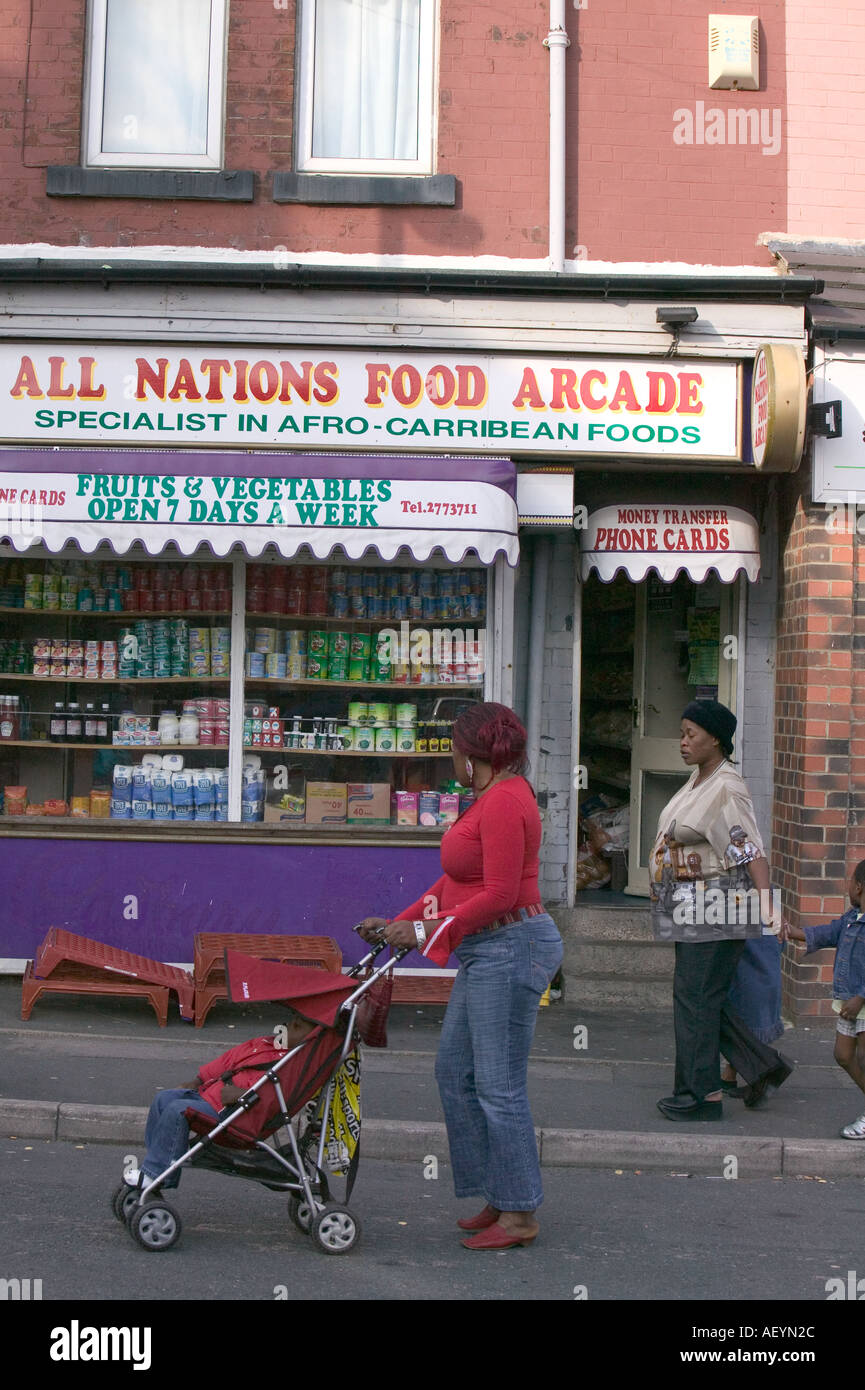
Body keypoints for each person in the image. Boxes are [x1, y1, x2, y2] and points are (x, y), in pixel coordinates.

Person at [358, 701, 563, 1250]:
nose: (450, 755)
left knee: (498, 1087)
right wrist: (400, 924)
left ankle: (520, 1215)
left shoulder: (503, 803)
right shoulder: (491, 798)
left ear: (473, 756)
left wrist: (424, 935)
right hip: (491, 948)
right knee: (455, 1074)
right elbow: (456, 888)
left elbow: (497, 895)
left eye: (454, 746)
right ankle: (500, 1194)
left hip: (512, 946)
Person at [649, 699, 793, 1121]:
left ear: (716, 738)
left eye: (691, 734)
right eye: (681, 733)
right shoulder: (700, 779)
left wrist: (769, 908)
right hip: (694, 906)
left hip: (718, 904)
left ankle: (702, 1096)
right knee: (701, 998)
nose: (683, 742)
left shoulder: (727, 786)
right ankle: (761, 1066)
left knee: (694, 997)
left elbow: (751, 850)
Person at [125, 1009, 315, 1189]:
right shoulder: (265, 1043)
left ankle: (155, 1172)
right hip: (210, 1095)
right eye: (289, 1022)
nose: (287, 1027)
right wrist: (197, 1080)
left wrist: (243, 1095)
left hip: (234, 1114)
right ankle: (157, 1165)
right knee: (163, 1099)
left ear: (308, 1040)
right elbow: (227, 1061)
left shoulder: (292, 1066)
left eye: (296, 1027)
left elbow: (275, 1099)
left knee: (177, 1110)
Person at [782, 862, 865, 1138]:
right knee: (843, 1055)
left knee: (863, 1057)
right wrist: (794, 932)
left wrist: (860, 998)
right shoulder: (852, 918)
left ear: (859, 886)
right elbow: (828, 932)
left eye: (850, 880)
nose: (847, 885)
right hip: (848, 1001)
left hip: (861, 1002)